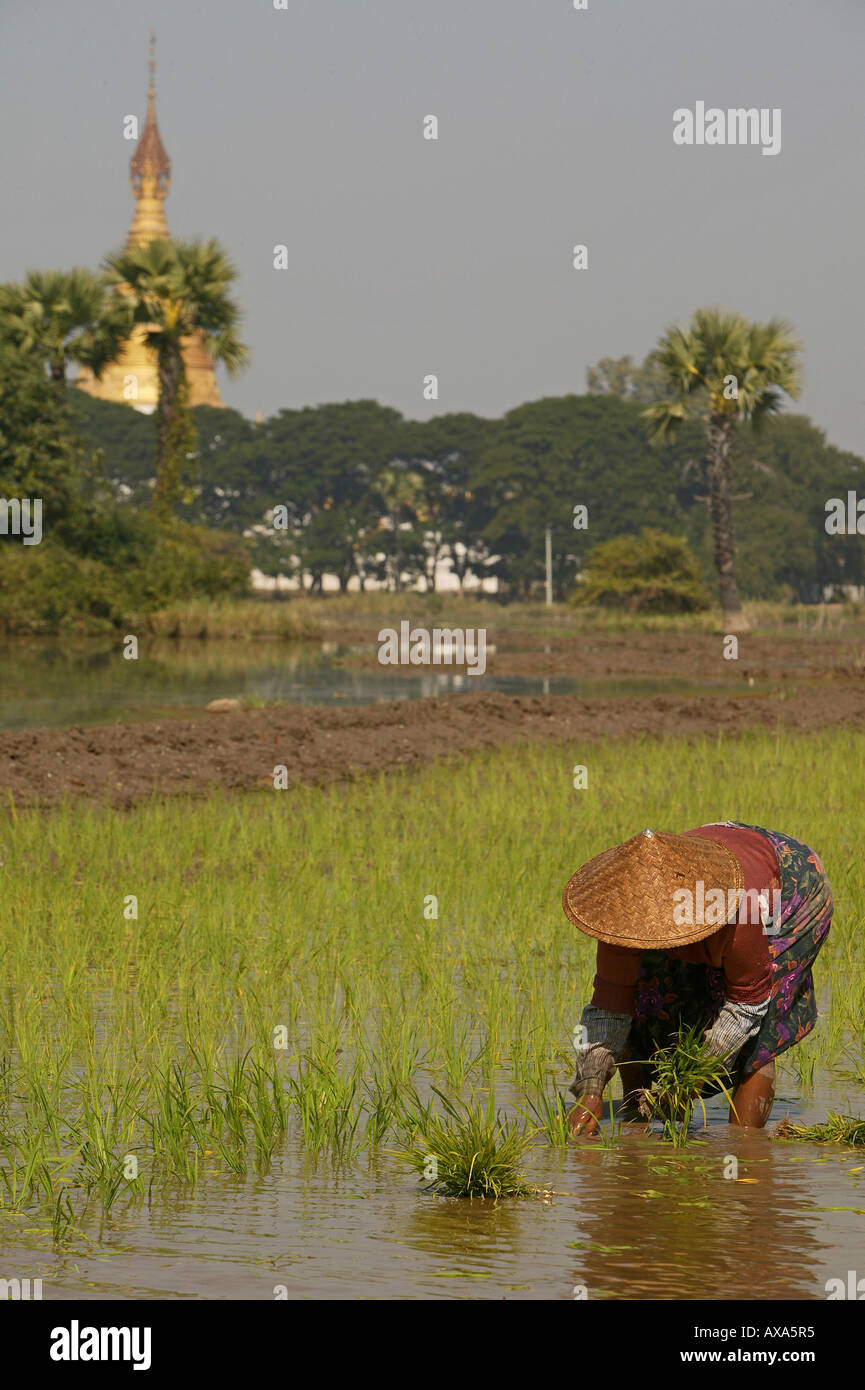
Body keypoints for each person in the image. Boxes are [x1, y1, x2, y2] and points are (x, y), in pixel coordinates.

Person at [561, 821, 833, 1135]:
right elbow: (610, 1007)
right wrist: (591, 1089)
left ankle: (745, 1150)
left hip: (790, 888)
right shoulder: (624, 915)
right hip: (717, 864)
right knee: (646, 1001)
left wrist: (690, 1078)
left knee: (759, 1037)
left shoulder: (740, 912)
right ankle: (635, 1128)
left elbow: (747, 1005)